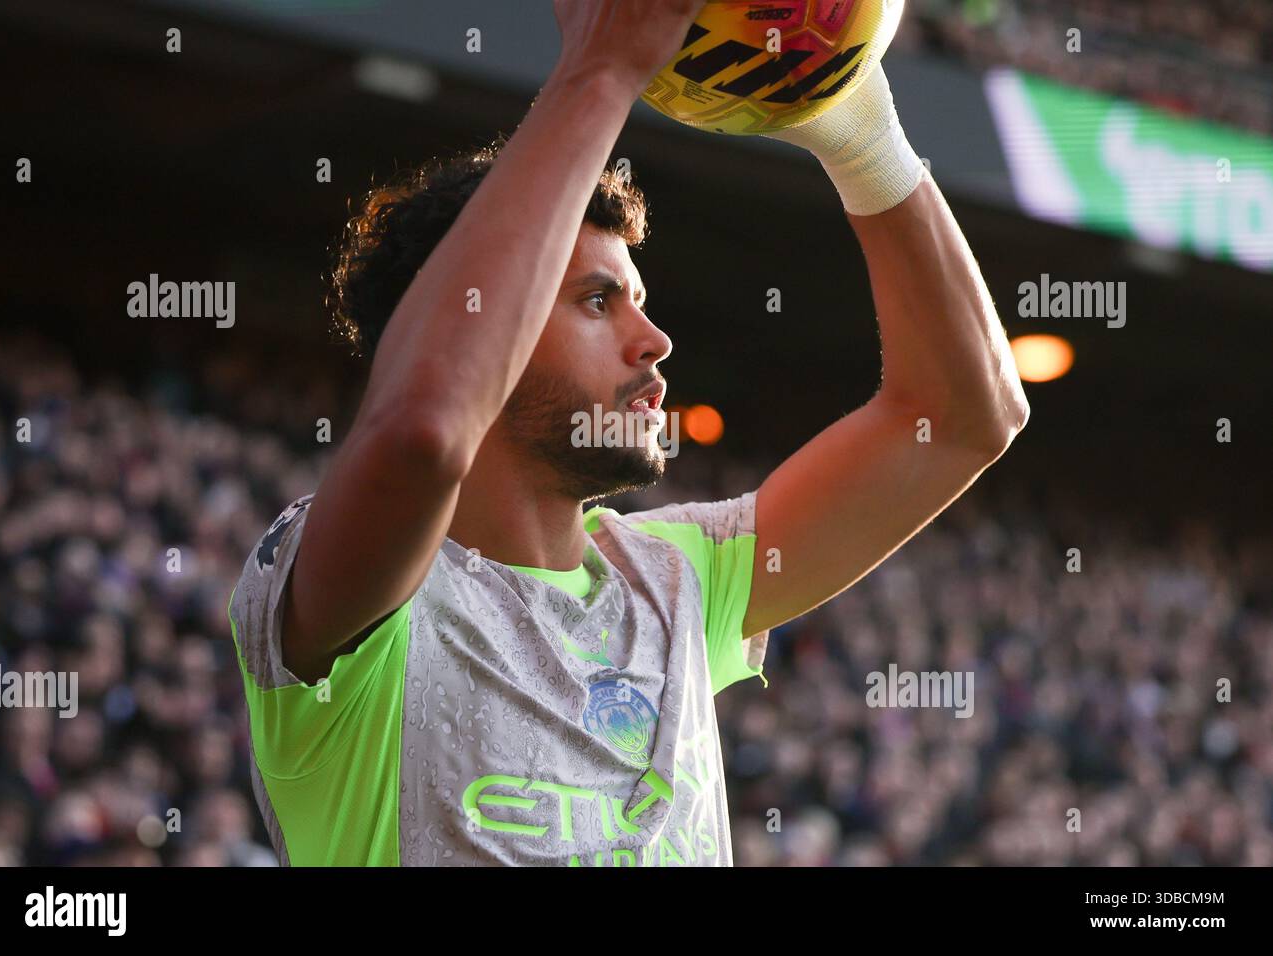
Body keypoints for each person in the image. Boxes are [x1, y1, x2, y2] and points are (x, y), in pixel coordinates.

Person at [227, 0, 1029, 867]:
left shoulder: (680, 576)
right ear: (482, 323)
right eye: (598, 301)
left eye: (638, 301)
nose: (653, 341)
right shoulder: (347, 591)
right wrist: (599, 71)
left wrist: (863, 134)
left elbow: (962, 417)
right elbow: (424, 430)